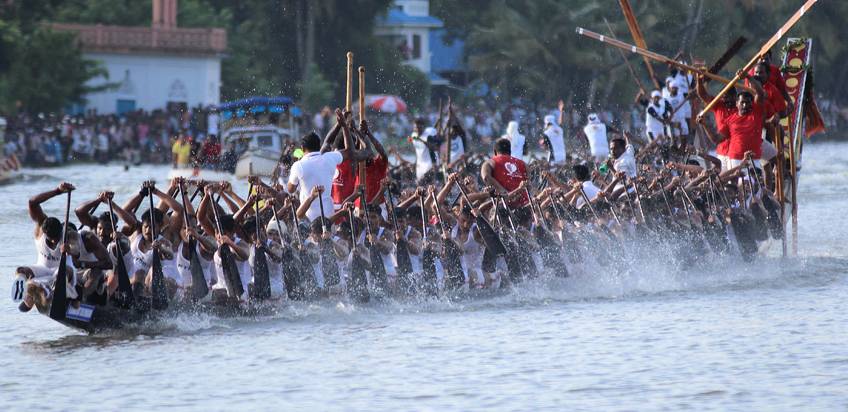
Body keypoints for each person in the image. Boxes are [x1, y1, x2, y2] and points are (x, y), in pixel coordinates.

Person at [287, 110, 362, 222]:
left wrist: (340, 124)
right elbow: (350, 151)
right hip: (328, 216)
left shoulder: (298, 165)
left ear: (302, 149)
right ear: (319, 145)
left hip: (307, 218)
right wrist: (344, 126)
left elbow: (291, 189)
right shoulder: (329, 158)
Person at [16, 182, 80, 313]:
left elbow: (77, 250)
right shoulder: (41, 226)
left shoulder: (69, 233)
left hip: (63, 271)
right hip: (43, 268)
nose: (53, 240)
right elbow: (32, 202)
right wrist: (57, 191)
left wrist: (69, 249)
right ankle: (26, 293)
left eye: (56, 237)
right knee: (21, 270)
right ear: (44, 232)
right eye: (50, 237)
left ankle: (47, 292)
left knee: (64, 272)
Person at [481, 137, 530, 219]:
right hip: (524, 206)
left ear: (495, 152)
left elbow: (486, 177)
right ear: (510, 151)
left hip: (503, 207)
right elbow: (529, 184)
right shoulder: (523, 164)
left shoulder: (490, 162)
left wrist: (503, 191)